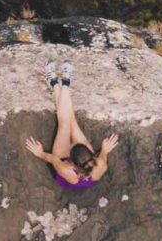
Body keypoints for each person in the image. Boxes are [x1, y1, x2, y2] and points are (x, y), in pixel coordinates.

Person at [24, 61, 119, 189]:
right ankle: (56, 82)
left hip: (67, 174)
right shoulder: (100, 164)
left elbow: (52, 159)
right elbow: (103, 155)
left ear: (71, 162)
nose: (71, 142)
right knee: (72, 120)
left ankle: (58, 82)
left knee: (65, 124)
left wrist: (40, 153)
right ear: (92, 157)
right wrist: (104, 150)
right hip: (84, 166)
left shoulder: (65, 169)